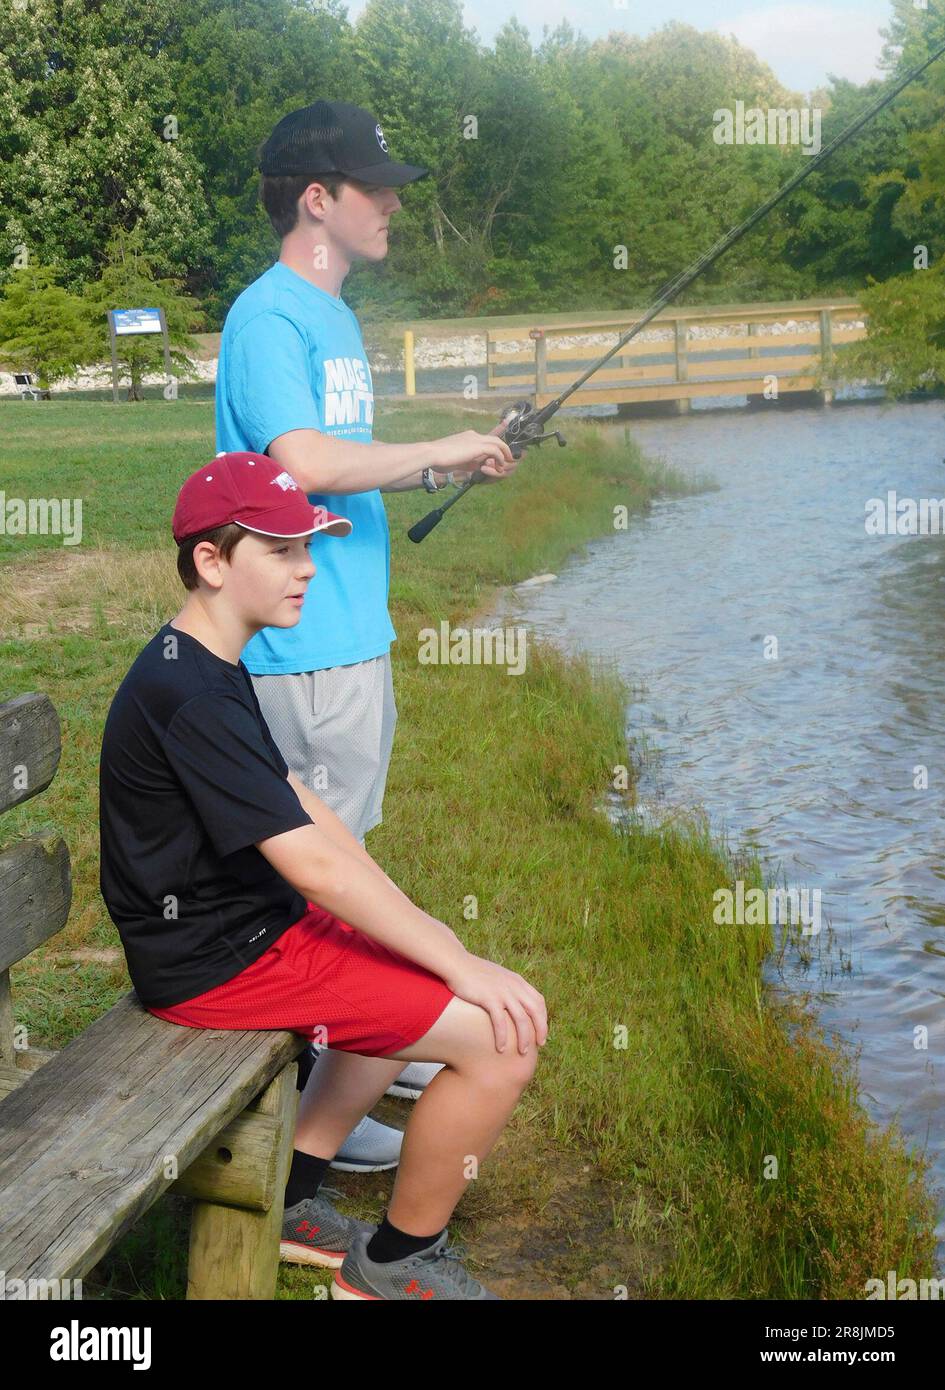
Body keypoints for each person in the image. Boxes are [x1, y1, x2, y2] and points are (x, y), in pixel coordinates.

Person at [98, 452, 547, 1300]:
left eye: (309, 547)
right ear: (212, 561)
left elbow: (302, 803)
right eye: (282, 550)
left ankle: (294, 1196)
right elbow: (305, 861)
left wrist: (428, 933)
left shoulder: (203, 660)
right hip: (214, 962)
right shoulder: (188, 690)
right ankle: (394, 1263)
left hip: (241, 930)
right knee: (502, 1042)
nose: (309, 568)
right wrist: (458, 964)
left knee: (410, 960)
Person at [214, 99, 521, 1149]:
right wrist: (442, 449)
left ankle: (353, 1051)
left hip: (351, 634)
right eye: (374, 185)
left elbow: (343, 463)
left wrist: (457, 453)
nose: (392, 201)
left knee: (348, 853)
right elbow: (306, 462)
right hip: (304, 650)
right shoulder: (270, 317)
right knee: (316, 877)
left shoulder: (333, 315)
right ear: (317, 199)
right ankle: (305, 1119)